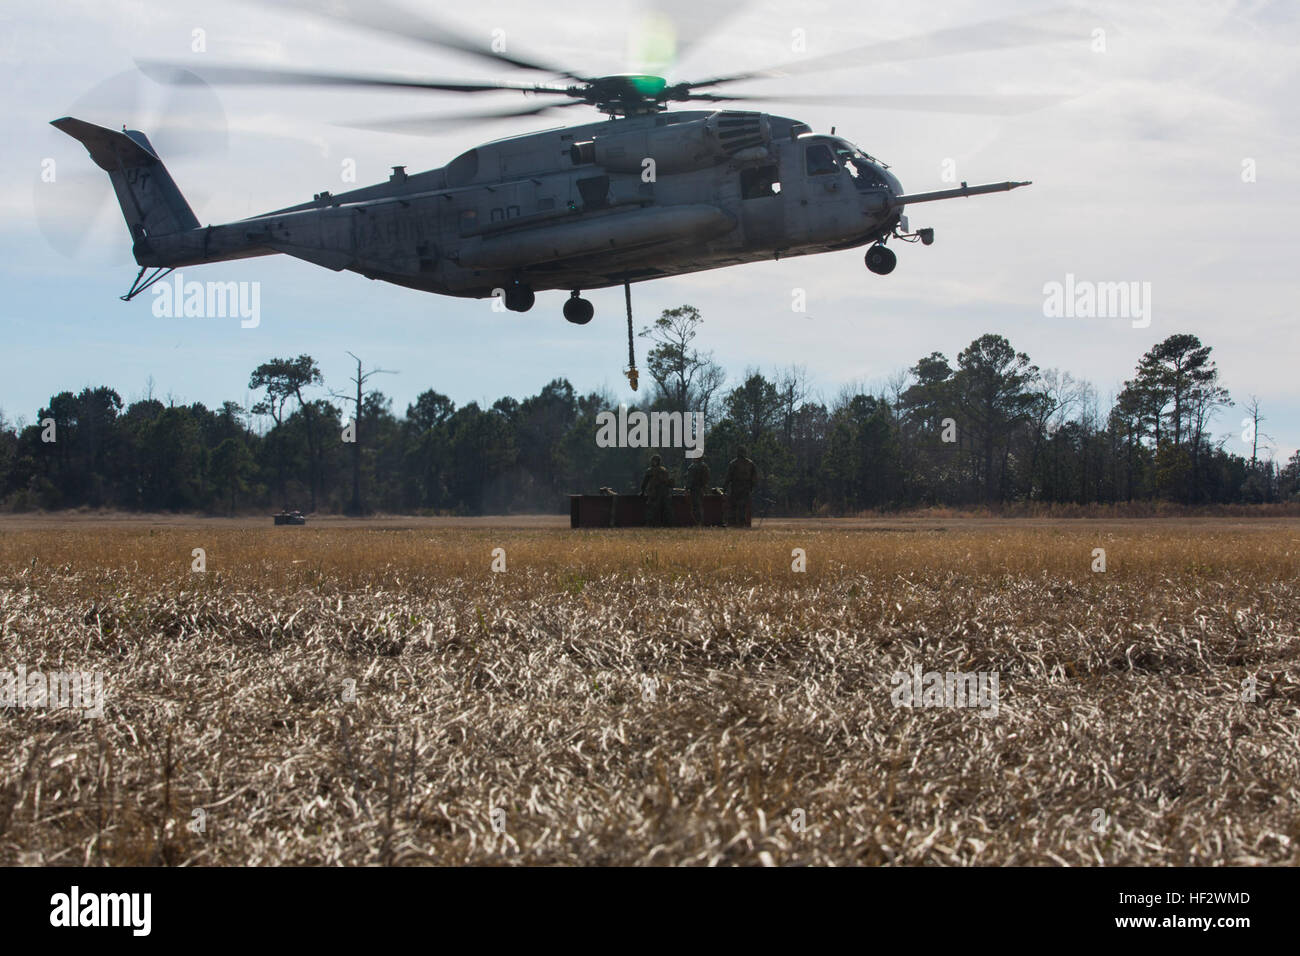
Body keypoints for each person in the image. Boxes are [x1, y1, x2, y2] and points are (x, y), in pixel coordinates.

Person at [724, 446, 759, 527]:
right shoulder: (750, 463)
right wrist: (751, 487)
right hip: (746, 488)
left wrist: (724, 488)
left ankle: (733, 523)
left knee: (733, 506)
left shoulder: (733, 463)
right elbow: (754, 478)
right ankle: (742, 523)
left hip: (735, 487)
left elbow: (728, 477)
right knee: (743, 507)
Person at [641, 454, 674, 527]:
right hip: (665, 493)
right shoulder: (664, 470)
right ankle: (668, 524)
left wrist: (643, 491)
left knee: (652, 509)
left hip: (655, 492)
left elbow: (645, 482)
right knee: (666, 509)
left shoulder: (650, 470)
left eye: (653, 461)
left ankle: (650, 524)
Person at [685, 457, 711, 526]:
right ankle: (701, 521)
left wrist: (687, 489)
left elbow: (689, 479)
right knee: (701, 505)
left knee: (695, 506)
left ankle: (698, 522)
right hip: (703, 488)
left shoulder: (692, 467)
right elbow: (708, 477)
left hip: (694, 489)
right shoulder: (705, 466)